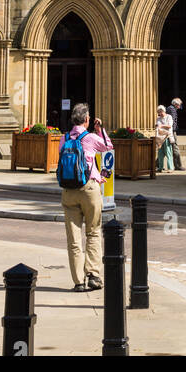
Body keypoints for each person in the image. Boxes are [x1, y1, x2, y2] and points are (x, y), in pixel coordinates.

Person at [57, 102, 113, 292]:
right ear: (87, 119)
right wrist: (100, 129)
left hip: (68, 191)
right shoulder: (90, 137)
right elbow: (108, 146)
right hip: (89, 189)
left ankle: (78, 281)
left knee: (73, 239)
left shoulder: (64, 138)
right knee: (93, 231)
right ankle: (93, 275)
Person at [167, 97, 185, 170]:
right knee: (175, 148)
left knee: (165, 148)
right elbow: (172, 121)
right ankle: (178, 165)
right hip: (171, 131)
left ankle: (156, 164)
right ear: (175, 104)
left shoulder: (170, 108)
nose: (180, 106)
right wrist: (173, 131)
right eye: (179, 105)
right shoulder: (172, 109)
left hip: (169, 131)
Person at [155, 105, 174, 172]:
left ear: (164, 111)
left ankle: (170, 168)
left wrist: (161, 126)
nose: (160, 113)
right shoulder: (158, 118)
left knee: (168, 152)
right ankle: (160, 167)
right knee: (160, 153)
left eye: (160, 112)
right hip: (160, 138)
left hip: (167, 136)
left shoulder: (169, 117)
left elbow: (169, 126)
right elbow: (157, 126)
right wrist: (158, 126)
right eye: (158, 112)